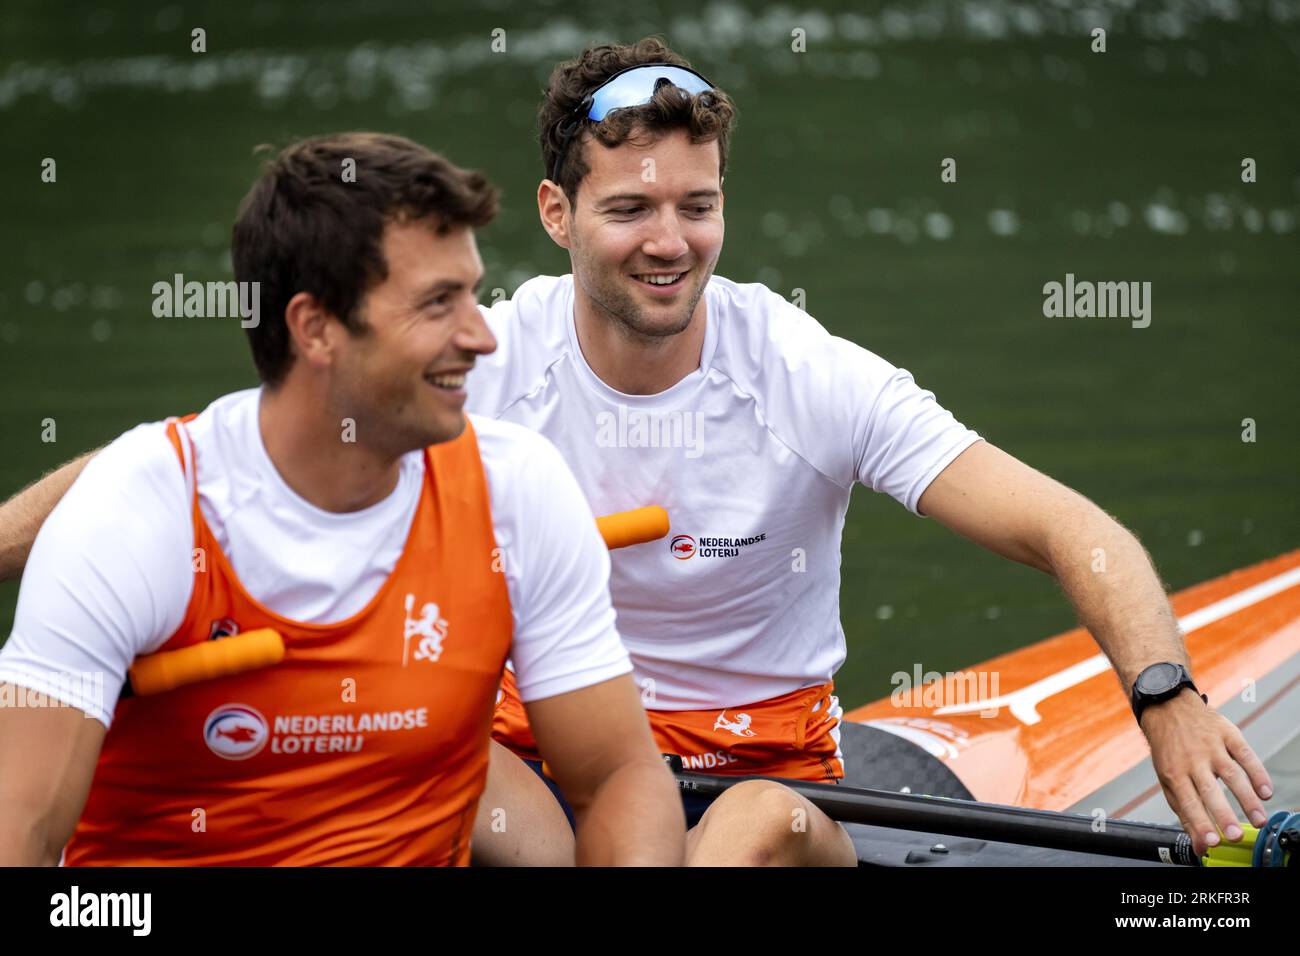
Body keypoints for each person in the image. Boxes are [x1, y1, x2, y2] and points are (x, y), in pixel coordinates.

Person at [0, 39, 1274, 866]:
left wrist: (1162, 692)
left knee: (737, 841)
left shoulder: (805, 372)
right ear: (557, 216)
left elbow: (1069, 528)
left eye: (697, 205)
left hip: (762, 777)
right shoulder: (483, 355)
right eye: (630, 209)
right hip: (539, 747)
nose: (670, 240)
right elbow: (182, 462)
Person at [0, 132, 685, 866]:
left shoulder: (514, 489)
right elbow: (24, 838)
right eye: (438, 304)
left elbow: (616, 776)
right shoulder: (138, 514)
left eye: (474, 295)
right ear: (315, 328)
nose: (482, 337)